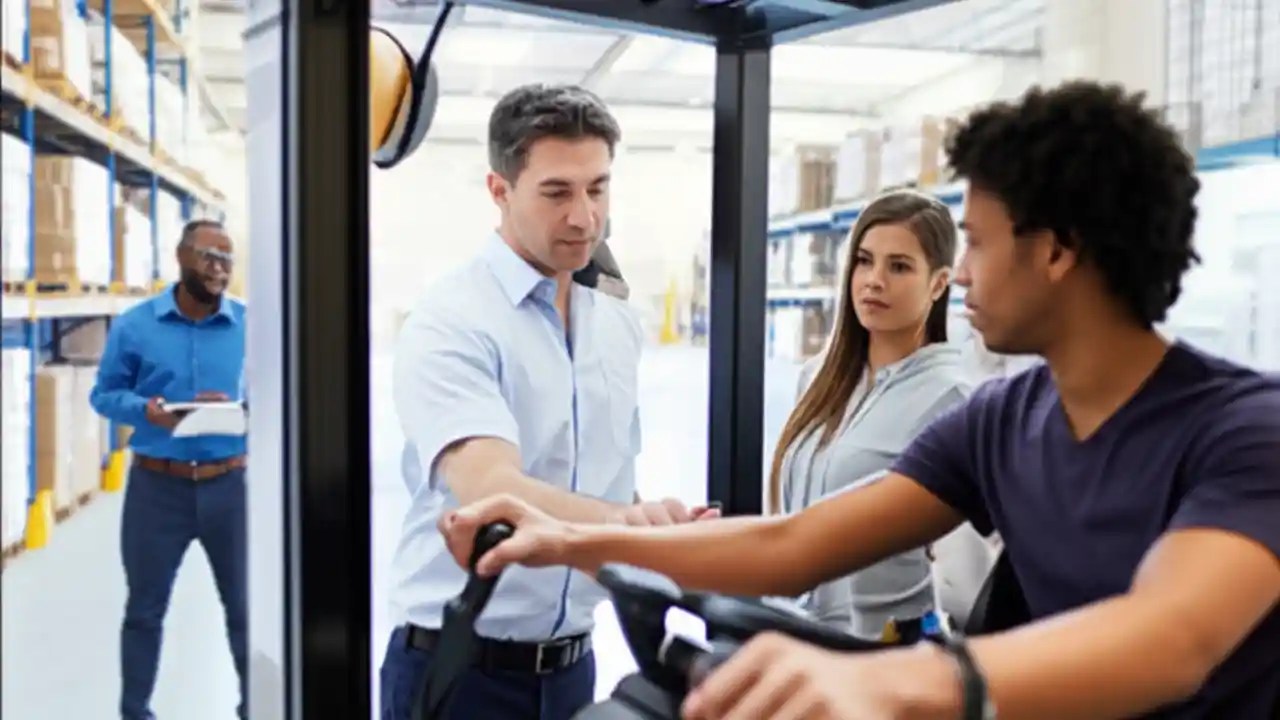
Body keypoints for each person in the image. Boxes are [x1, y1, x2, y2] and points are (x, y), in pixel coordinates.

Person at [440, 80, 1280, 720]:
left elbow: (1174, 638)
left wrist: (905, 677)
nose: (966, 275)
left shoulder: (1246, 432)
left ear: (1057, 254)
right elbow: (795, 545)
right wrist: (570, 541)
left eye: (978, 244)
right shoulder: (1002, 420)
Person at [380, 83, 716, 720]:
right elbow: (491, 488)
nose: (585, 217)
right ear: (499, 191)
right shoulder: (452, 320)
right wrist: (624, 528)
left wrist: (655, 521)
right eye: (557, 192)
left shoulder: (615, 324)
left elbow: (606, 489)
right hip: (461, 673)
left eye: (598, 188)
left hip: (571, 668)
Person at [769, 190, 989, 638]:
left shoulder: (952, 396)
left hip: (884, 650)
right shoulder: (816, 378)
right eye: (864, 261)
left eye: (899, 266)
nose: (873, 280)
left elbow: (966, 575)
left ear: (939, 283)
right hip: (798, 636)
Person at [90, 219, 247, 720]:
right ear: (182, 257)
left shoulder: (252, 325)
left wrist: (244, 408)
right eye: (209, 256)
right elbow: (104, 394)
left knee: (245, 612)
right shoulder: (135, 325)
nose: (220, 268)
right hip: (157, 489)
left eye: (227, 258)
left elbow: (283, 397)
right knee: (143, 612)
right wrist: (145, 410)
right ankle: (135, 713)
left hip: (231, 488)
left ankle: (255, 709)